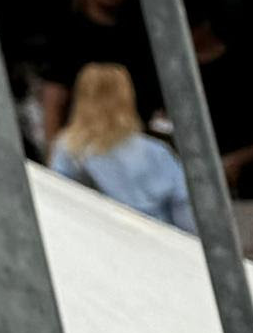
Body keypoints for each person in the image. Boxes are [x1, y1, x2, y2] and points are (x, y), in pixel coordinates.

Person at [48, 60, 195, 229]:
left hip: (96, 235)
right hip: (155, 236)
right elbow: (184, 208)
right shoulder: (157, 152)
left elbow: (58, 201)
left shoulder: (67, 149)